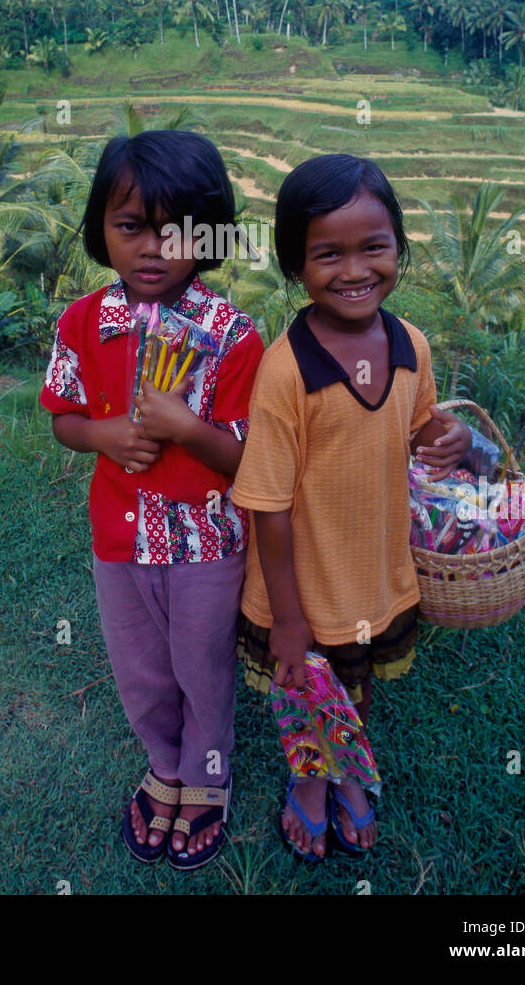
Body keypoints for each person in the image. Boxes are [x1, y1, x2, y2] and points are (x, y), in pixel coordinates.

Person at [229, 154, 472, 861]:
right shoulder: (284, 373)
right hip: (301, 587)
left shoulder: (411, 348)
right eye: (326, 254)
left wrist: (450, 435)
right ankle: (311, 782)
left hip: (375, 575)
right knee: (304, 695)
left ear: (398, 247)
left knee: (355, 690)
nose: (354, 270)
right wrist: (289, 618)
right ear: (294, 267)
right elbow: (267, 506)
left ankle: (348, 770)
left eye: (373, 247)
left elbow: (421, 424)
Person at [40, 130, 263, 871]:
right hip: (118, 539)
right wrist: (102, 433)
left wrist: (184, 428)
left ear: (212, 234)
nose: (153, 248)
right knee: (139, 665)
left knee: (201, 662)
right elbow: (64, 419)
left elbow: (245, 457)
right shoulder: (82, 322)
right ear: (101, 231)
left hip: (206, 543)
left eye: (177, 230)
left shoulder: (233, 337)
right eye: (131, 226)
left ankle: (205, 773)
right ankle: (163, 762)